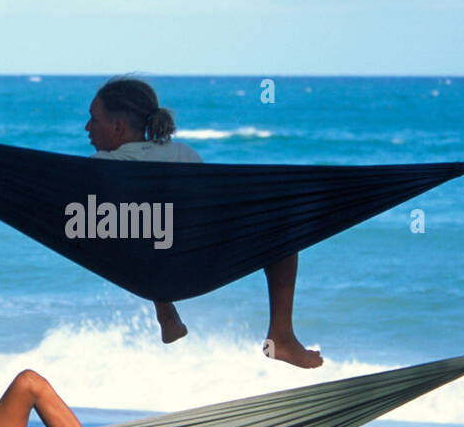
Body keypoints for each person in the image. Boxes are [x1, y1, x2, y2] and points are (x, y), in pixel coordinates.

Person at [86, 75, 322, 369]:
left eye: (93, 119)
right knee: (282, 223)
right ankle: (281, 334)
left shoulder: (100, 168)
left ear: (118, 127)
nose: (87, 128)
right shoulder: (184, 154)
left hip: (149, 271)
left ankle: (165, 312)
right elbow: (208, 210)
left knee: (124, 223)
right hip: (201, 263)